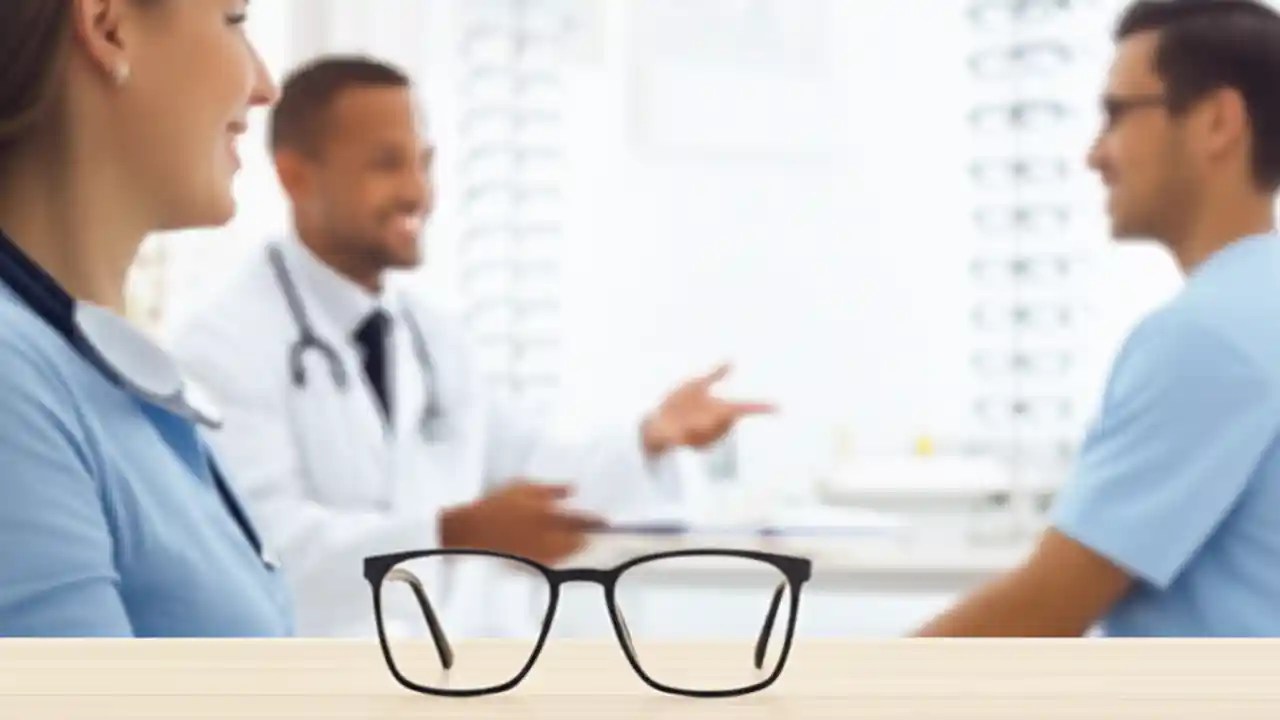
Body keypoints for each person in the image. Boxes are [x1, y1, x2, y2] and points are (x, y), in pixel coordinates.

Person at [168, 57, 775, 638]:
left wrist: (653, 437)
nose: (418, 191)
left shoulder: (434, 339)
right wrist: (454, 533)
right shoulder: (223, 346)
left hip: (439, 678)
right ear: (295, 176)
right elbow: (262, 549)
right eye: (387, 164)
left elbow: (535, 471)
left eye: (424, 163)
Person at [916, 0, 1280, 637]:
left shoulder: (1206, 338)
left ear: (1218, 122)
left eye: (1116, 114)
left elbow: (1045, 609)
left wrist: (842, 684)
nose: (1094, 154)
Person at [0, 0, 289, 636]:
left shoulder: (87, 373)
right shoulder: (12, 384)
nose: (266, 86)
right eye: (233, 20)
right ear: (109, 28)